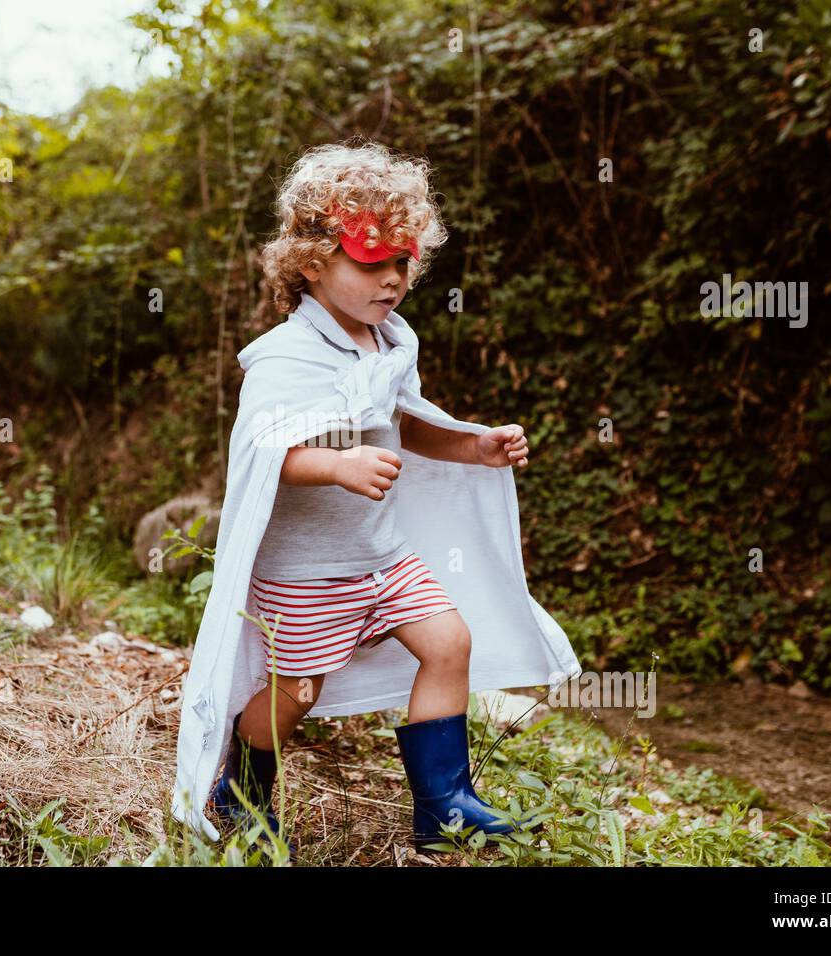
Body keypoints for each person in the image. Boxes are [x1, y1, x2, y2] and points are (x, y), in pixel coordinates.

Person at [171, 138, 582, 857]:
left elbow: (409, 426)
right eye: (371, 263)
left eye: (404, 261)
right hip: (308, 569)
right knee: (297, 695)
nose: (392, 279)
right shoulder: (283, 357)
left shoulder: (390, 339)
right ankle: (240, 785)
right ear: (311, 263)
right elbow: (264, 455)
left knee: (449, 642)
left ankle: (446, 808)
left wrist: (475, 446)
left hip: (382, 556)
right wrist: (336, 465)